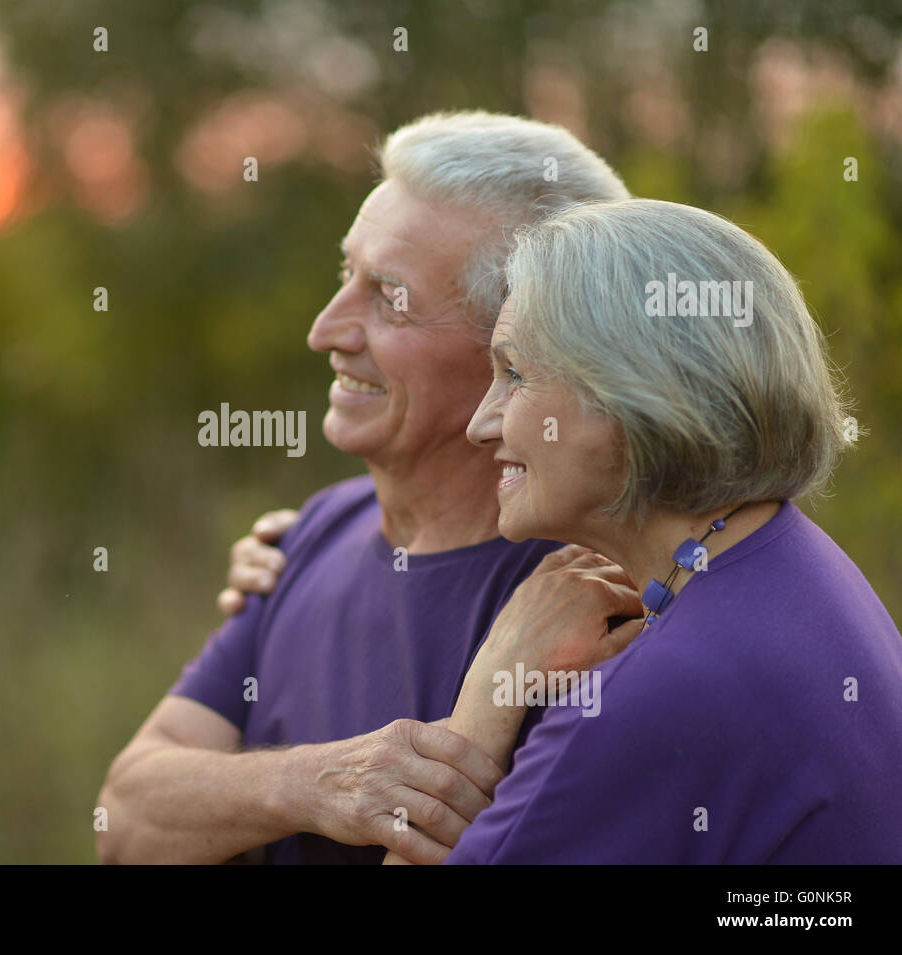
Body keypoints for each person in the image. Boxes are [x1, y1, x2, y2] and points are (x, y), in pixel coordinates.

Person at [95, 111, 630, 864]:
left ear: (518, 349)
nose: (325, 328)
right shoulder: (310, 532)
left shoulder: (584, 610)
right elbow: (122, 821)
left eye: (390, 297)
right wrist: (314, 784)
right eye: (345, 275)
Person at [444, 198, 902, 862]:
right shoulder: (786, 558)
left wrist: (490, 689)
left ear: (634, 395)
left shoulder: (652, 699)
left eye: (515, 374)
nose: (481, 423)